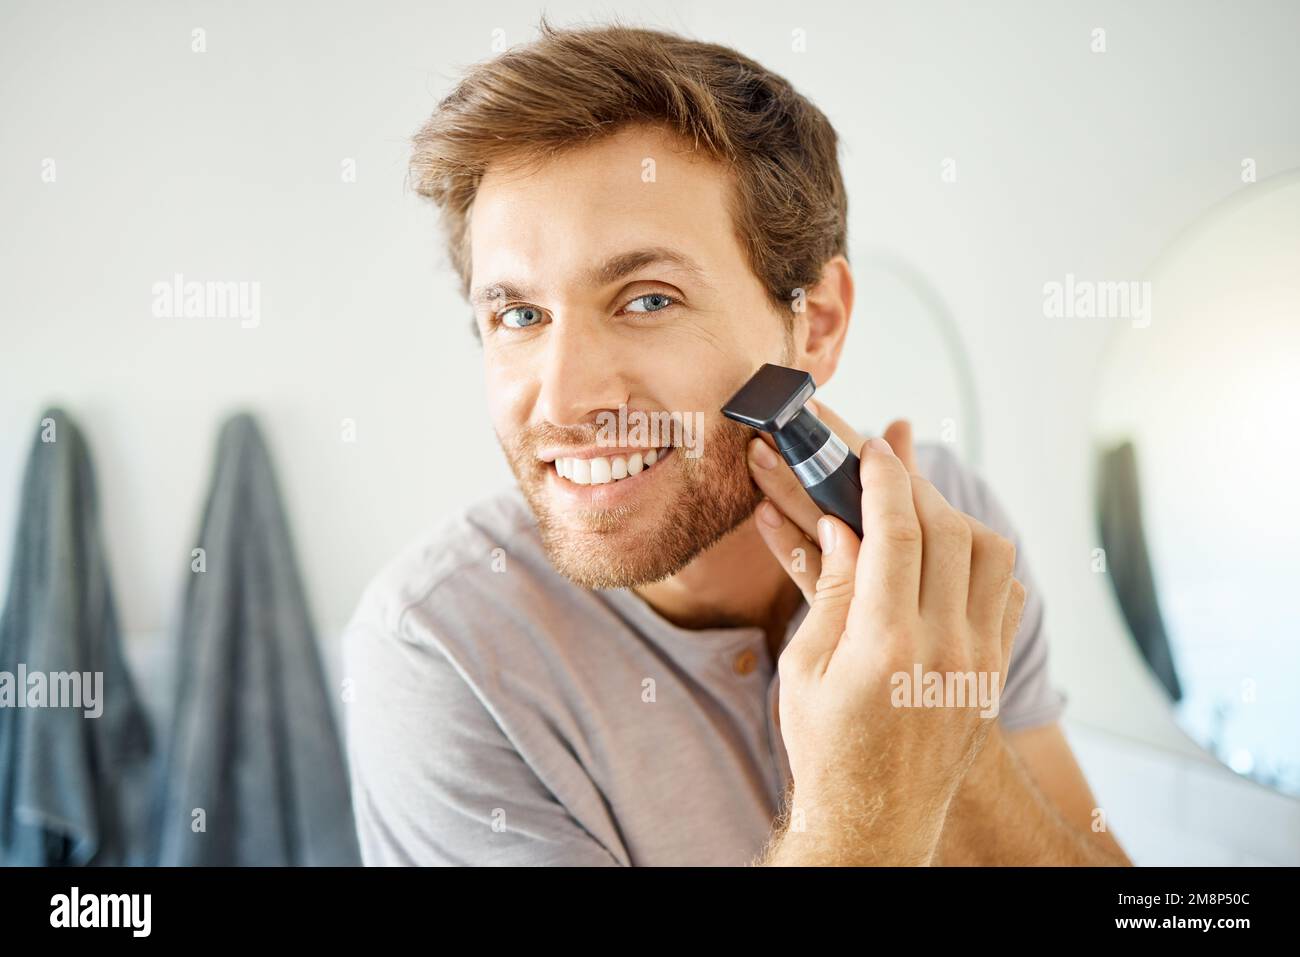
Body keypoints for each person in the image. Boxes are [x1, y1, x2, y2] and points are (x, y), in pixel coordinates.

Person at [342, 20, 1130, 866]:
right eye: (520, 315)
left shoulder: (943, 528)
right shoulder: (440, 654)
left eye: (648, 299)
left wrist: (947, 730)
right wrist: (863, 805)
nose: (566, 399)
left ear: (816, 323)